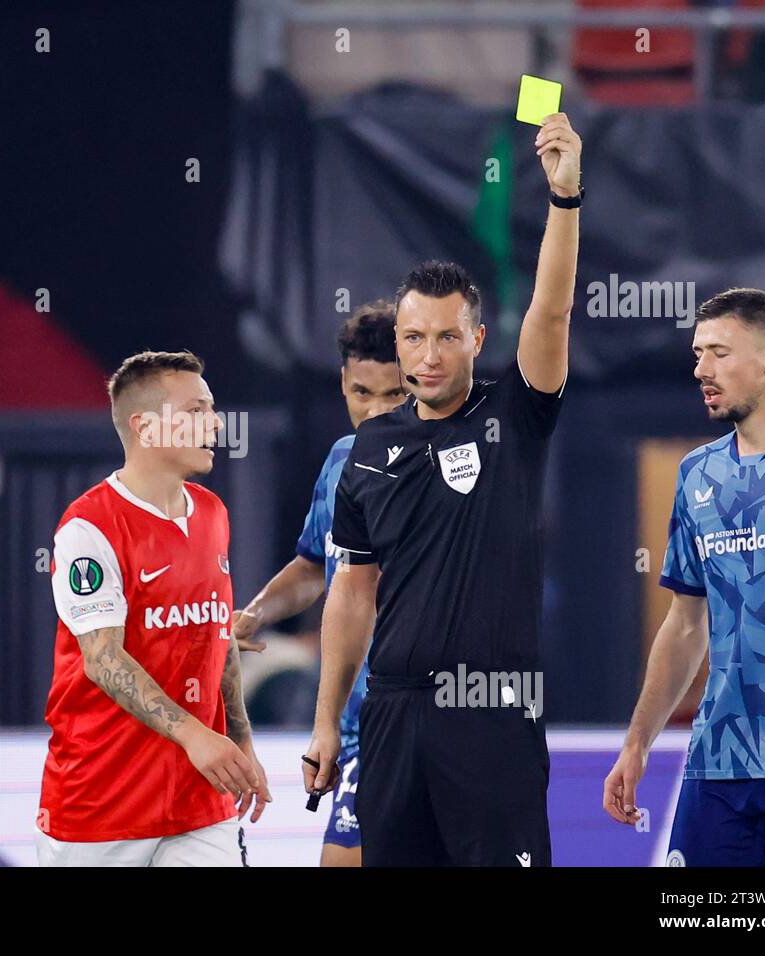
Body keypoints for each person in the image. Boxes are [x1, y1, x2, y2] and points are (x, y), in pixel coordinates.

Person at [304, 113, 583, 866]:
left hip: (493, 710)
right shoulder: (369, 447)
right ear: (398, 343)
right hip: (393, 714)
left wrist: (564, 200)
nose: (430, 355)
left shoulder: (516, 416)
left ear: (477, 340)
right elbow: (351, 593)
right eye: (415, 337)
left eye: (447, 337)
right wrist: (328, 721)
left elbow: (551, 310)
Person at [604, 289, 765, 867]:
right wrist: (637, 744)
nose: (701, 370)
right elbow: (685, 626)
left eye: (718, 353)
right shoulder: (697, 475)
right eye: (696, 354)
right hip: (720, 759)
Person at [37, 350, 270, 866]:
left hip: (199, 800)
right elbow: (103, 660)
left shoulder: (212, 512)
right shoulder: (88, 528)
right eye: (195, 411)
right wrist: (196, 737)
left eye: (212, 409)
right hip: (100, 803)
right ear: (145, 426)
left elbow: (216, 636)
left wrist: (238, 739)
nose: (214, 423)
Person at [232, 301, 404, 866]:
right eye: (362, 394)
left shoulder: (456, 469)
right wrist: (255, 613)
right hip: (358, 725)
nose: (376, 413)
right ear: (342, 383)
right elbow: (313, 566)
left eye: (394, 395)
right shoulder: (339, 462)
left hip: (436, 721)